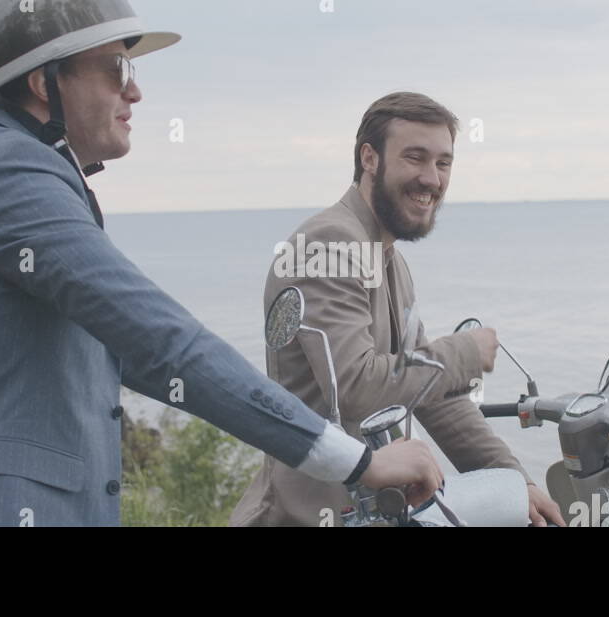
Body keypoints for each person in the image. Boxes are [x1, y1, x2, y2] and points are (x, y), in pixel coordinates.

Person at [0, 0, 443, 527]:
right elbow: (160, 340)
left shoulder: (15, 170)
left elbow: (126, 349)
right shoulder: (10, 176)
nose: (135, 93)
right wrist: (356, 461)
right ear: (45, 83)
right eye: (117, 69)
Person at [232, 92, 567, 527]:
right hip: (300, 517)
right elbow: (356, 386)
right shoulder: (329, 243)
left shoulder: (388, 258)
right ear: (369, 158)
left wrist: (516, 482)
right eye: (415, 157)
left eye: (443, 163)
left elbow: (432, 394)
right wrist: (463, 352)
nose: (431, 178)